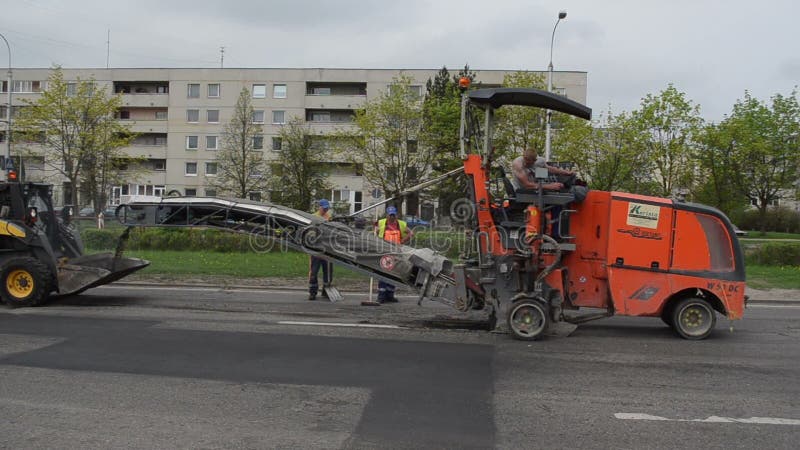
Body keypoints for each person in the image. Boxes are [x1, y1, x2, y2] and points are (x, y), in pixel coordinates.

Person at [375, 206, 412, 304]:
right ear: (386, 215)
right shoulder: (381, 223)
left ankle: (390, 295)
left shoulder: (401, 224)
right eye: (390, 215)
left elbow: (410, 233)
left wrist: (402, 241)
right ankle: (381, 296)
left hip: (396, 253)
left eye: (393, 215)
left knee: (394, 274)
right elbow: (375, 233)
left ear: (396, 215)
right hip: (384, 252)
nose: (392, 217)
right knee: (383, 273)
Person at [308, 199, 333, 301]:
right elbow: (309, 233)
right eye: (324, 208)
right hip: (316, 249)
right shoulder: (313, 217)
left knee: (328, 272)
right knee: (314, 272)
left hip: (328, 250)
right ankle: (312, 292)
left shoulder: (329, 217)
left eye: (327, 208)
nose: (326, 210)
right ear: (320, 207)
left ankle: (326, 290)